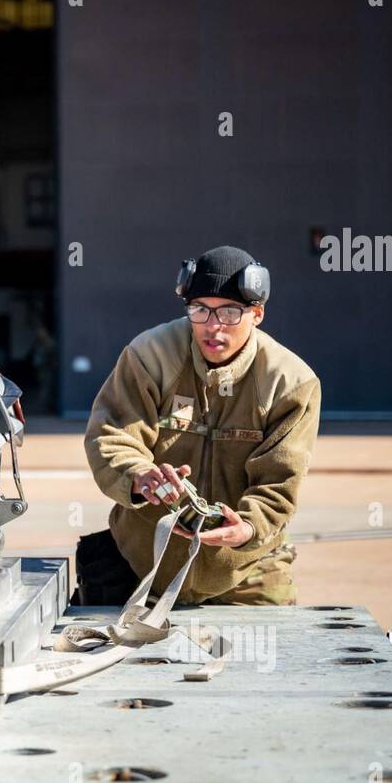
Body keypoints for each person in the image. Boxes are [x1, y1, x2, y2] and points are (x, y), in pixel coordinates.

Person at [81, 245, 321, 606]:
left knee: (268, 657)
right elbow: (113, 436)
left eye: (230, 312)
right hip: (143, 564)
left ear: (257, 314)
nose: (213, 326)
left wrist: (247, 527)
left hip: (244, 569)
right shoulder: (150, 356)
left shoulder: (289, 383)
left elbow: (279, 480)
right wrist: (139, 478)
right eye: (200, 310)